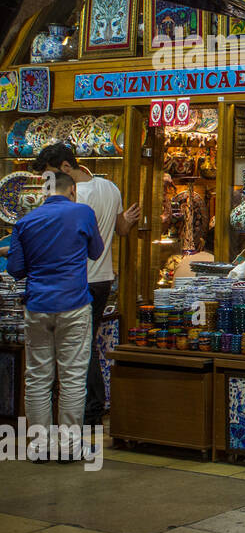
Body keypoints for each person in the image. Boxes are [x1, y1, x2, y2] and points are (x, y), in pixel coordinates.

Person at [36, 143, 140, 438]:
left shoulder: (73, 198)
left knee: (79, 346)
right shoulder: (109, 187)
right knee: (86, 341)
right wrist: (128, 222)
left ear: (66, 168)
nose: (48, 183)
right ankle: (91, 408)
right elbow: (120, 229)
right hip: (103, 279)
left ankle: (91, 409)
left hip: (77, 280)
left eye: (51, 175)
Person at [7, 170, 104, 461]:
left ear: (44, 193)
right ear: (72, 190)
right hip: (73, 304)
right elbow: (96, 251)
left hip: (37, 306)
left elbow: (15, 269)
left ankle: (38, 447)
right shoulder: (83, 214)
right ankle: (69, 448)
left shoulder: (24, 222)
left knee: (37, 377)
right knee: (72, 378)